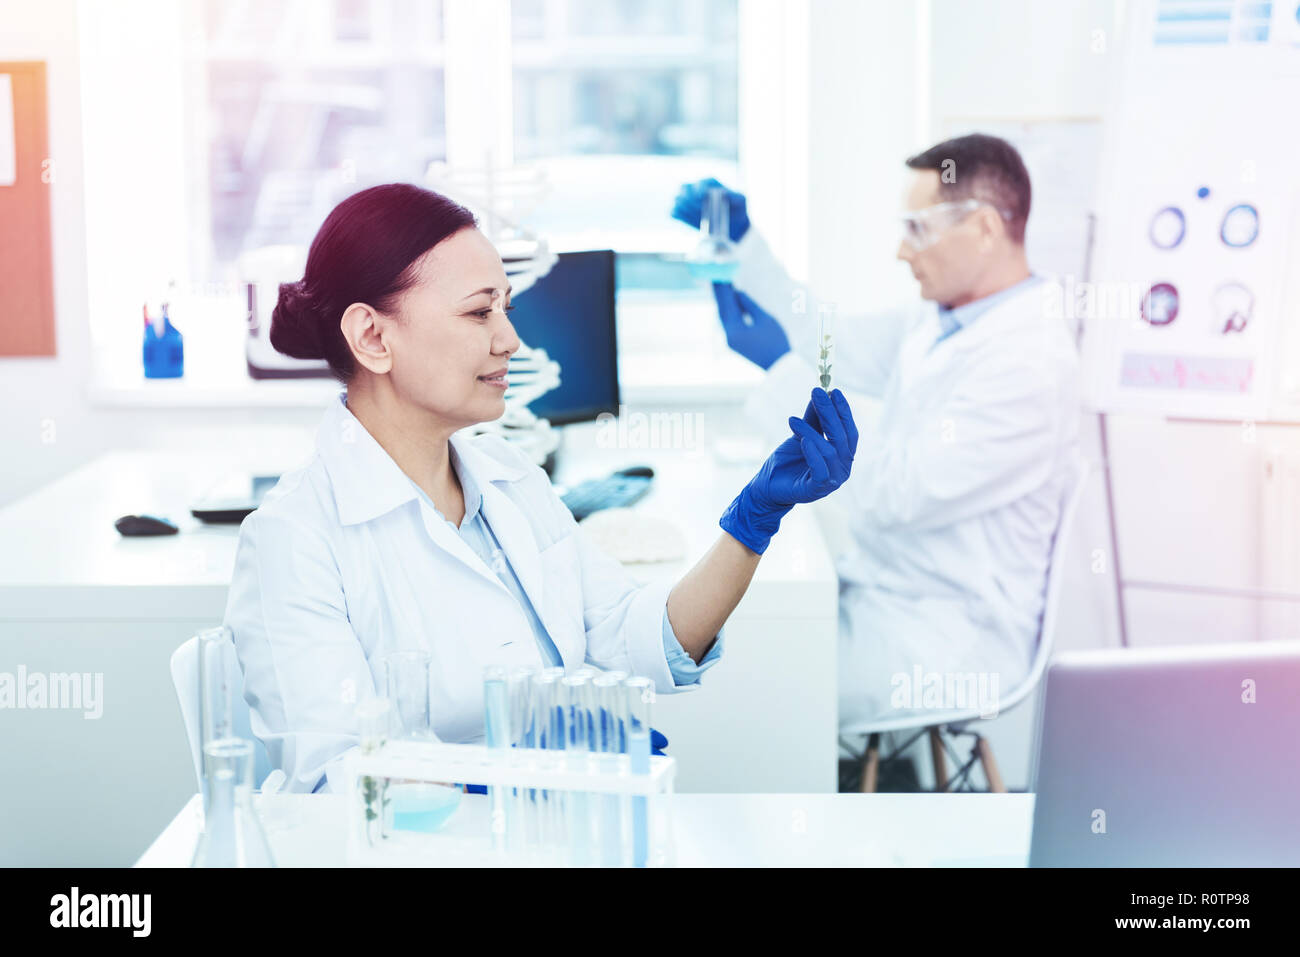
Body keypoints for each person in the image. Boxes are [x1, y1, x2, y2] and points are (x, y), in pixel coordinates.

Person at [224, 183, 859, 793]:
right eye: (479, 312)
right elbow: (338, 781)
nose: (511, 340)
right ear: (372, 336)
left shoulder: (508, 476)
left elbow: (631, 639)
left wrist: (753, 520)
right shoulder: (295, 540)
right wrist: (531, 767)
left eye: (507, 307)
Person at [673, 133, 1080, 737]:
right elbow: (825, 337)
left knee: (741, 682)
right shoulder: (945, 317)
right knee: (726, 638)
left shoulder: (1029, 364)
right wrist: (744, 243)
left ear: (987, 230)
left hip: (947, 637)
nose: (900, 250)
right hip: (888, 599)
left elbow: (896, 493)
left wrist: (780, 370)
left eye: (918, 229)